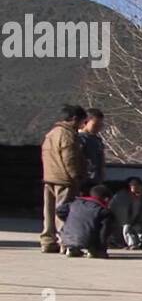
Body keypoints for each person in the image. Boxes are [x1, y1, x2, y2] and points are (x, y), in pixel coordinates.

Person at [40, 105, 87, 253]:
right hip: (64, 180)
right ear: (74, 119)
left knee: (49, 211)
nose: (83, 125)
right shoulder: (67, 135)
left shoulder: (51, 133)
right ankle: (66, 243)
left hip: (49, 177)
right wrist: (76, 176)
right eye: (82, 121)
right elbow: (70, 159)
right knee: (64, 212)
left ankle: (48, 241)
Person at [56, 184, 113, 259]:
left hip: (66, 238)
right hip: (88, 240)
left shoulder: (75, 203)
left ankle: (72, 249)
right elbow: (104, 232)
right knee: (102, 226)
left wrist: (69, 219)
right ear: (106, 199)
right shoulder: (103, 211)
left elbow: (59, 210)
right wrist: (102, 248)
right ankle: (94, 250)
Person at [109, 177, 142, 249]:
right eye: (135, 185)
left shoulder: (138, 198)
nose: (138, 187)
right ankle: (130, 243)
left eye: (139, 185)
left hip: (131, 224)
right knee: (127, 226)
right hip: (117, 228)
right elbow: (123, 221)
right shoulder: (121, 199)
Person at [78, 108, 106, 187]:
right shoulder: (80, 138)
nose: (98, 128)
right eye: (95, 125)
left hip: (96, 178)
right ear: (85, 122)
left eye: (100, 125)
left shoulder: (97, 140)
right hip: (85, 179)